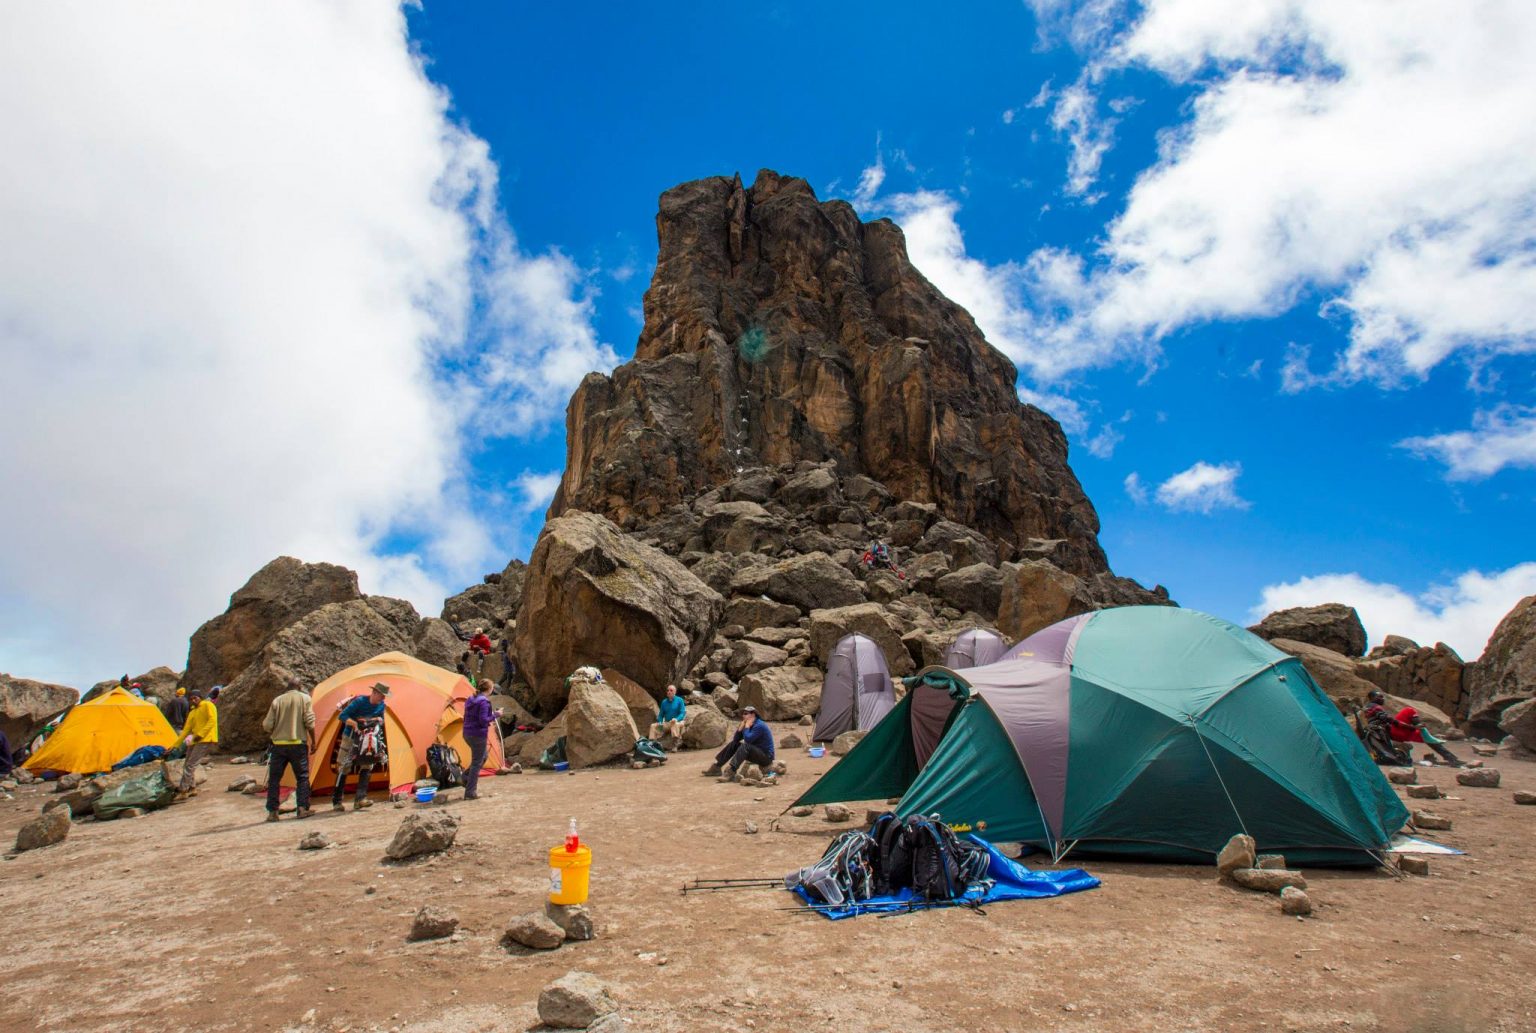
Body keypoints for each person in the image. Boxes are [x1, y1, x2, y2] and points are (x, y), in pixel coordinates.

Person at [262, 676, 317, 821]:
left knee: (274, 779)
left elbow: (267, 725)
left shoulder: (277, 701)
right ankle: (302, 808)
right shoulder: (305, 699)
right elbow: (310, 723)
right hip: (298, 744)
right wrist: (314, 741)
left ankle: (273, 812)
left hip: (278, 746)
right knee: (302, 777)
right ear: (299, 687)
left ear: (288, 687)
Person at [332, 682, 390, 812]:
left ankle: (360, 799)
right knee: (344, 766)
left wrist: (377, 722)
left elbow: (381, 719)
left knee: (368, 764)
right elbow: (342, 716)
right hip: (351, 737)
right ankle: (337, 801)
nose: (383, 698)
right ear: (374, 693)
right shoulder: (359, 702)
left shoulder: (381, 706)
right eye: (382, 695)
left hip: (368, 738)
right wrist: (355, 724)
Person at [705, 707, 785, 783]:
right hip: (755, 752)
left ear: (753, 714)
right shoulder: (748, 724)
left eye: (746, 713)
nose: (743, 715)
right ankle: (716, 767)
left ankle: (731, 771)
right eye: (743, 714)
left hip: (766, 757)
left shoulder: (759, 725)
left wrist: (746, 727)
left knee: (745, 746)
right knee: (734, 744)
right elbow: (736, 740)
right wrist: (740, 729)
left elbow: (748, 740)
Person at [462, 679, 504, 800]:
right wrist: (496, 714)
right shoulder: (483, 702)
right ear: (490, 689)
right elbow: (483, 720)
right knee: (477, 763)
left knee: (483, 756)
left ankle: (465, 777)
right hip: (477, 735)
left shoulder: (471, 699)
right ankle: (470, 792)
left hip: (467, 733)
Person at [1389, 704, 1465, 767]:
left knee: (1429, 738)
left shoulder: (1403, 714)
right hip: (1402, 733)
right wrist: (1416, 726)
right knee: (1430, 740)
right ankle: (1451, 759)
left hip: (1402, 733)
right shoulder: (1410, 711)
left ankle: (1451, 758)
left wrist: (1416, 727)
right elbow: (1410, 723)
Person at [176, 690, 219, 798]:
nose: (193, 700)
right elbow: (186, 730)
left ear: (200, 697)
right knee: (187, 763)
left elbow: (212, 720)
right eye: (191, 699)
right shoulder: (192, 712)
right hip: (195, 740)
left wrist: (201, 733)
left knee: (190, 764)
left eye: (195, 698)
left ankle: (183, 790)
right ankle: (192, 788)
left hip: (205, 739)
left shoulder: (208, 705)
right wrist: (174, 746)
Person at [1359, 690, 1412, 766]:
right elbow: (1386, 718)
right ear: (1372, 698)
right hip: (1377, 732)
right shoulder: (1375, 706)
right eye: (1379, 697)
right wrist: (1405, 725)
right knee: (1389, 752)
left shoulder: (1368, 706)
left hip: (1373, 731)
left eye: (1382, 697)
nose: (1382, 698)